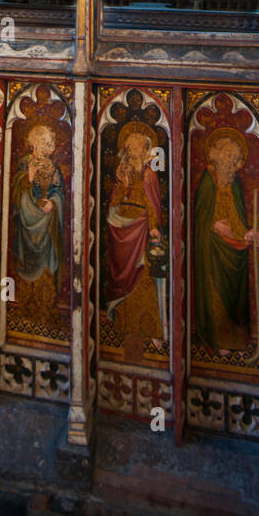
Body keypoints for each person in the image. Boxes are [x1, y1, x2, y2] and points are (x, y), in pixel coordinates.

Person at [193, 129, 255, 356]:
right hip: (211, 248)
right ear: (218, 156)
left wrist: (245, 233)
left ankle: (237, 339)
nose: (234, 162)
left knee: (234, 297)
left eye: (235, 157)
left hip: (233, 247)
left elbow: (236, 214)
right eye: (230, 156)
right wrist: (214, 225)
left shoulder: (234, 182)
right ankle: (218, 339)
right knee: (215, 292)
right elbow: (200, 217)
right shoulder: (208, 181)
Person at [105, 121, 166, 350]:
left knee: (144, 276)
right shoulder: (123, 173)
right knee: (122, 274)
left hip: (141, 228)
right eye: (129, 149)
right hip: (120, 227)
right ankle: (123, 322)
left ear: (145, 152)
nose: (133, 153)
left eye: (137, 149)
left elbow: (152, 202)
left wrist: (153, 225)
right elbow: (115, 199)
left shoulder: (149, 174)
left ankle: (151, 329)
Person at [11, 122, 65, 321]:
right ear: (33, 144)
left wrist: (53, 203)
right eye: (41, 143)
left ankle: (45, 310)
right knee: (26, 267)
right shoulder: (25, 163)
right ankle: (25, 310)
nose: (44, 147)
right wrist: (28, 177)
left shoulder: (53, 167)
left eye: (48, 144)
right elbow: (16, 187)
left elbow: (59, 193)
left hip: (46, 226)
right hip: (26, 225)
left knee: (46, 269)